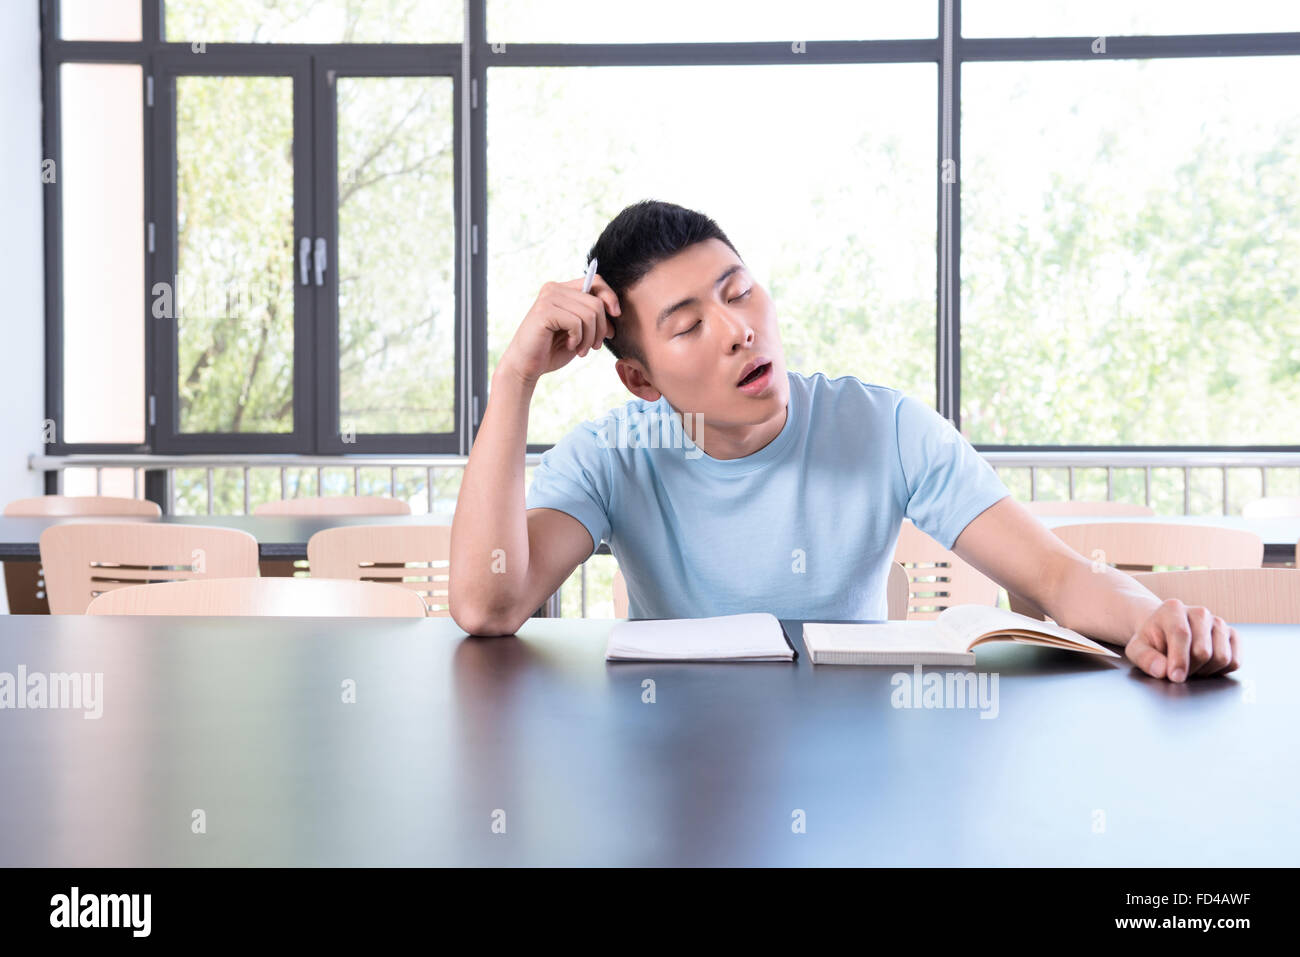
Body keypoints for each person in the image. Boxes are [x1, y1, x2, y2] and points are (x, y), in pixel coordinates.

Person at [449, 199, 1238, 682]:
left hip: (857, 759)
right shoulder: (614, 452)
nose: (738, 330)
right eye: (689, 325)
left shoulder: (883, 427)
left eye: (739, 292)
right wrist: (515, 376)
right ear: (642, 380)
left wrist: (1150, 620)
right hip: (679, 755)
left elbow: (1057, 577)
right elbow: (488, 606)